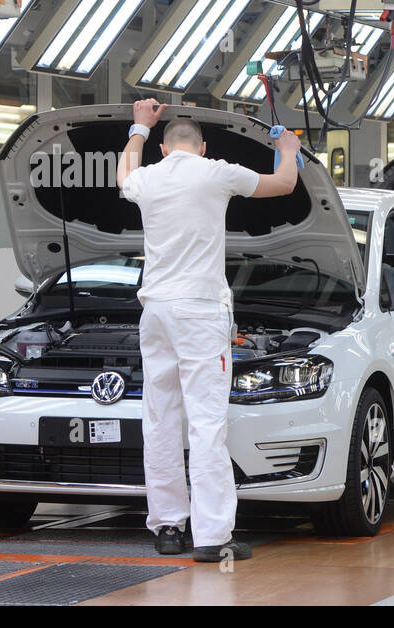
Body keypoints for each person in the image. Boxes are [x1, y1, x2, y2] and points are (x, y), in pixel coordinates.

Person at [115, 99, 301, 561]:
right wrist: (288, 147)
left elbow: (124, 175)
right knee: (206, 423)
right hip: (199, 310)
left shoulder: (148, 177)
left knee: (159, 418)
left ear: (164, 148)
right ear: (202, 146)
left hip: (154, 309)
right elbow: (284, 184)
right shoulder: (216, 171)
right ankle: (213, 537)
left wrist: (138, 127)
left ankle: (167, 528)